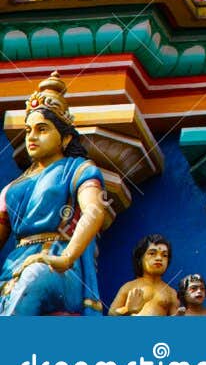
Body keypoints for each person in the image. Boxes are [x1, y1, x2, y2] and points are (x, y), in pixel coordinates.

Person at [0, 74, 110, 315]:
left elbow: (94, 211)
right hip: (12, 268)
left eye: (42, 129)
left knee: (34, 277)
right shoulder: (12, 188)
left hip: (59, 268)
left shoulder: (79, 170)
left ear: (66, 137)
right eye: (28, 130)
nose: (32, 137)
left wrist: (67, 257)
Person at [108, 235, 180, 316]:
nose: (159, 258)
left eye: (164, 255)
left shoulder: (171, 293)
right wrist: (127, 310)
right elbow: (111, 314)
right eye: (152, 253)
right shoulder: (129, 287)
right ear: (140, 258)